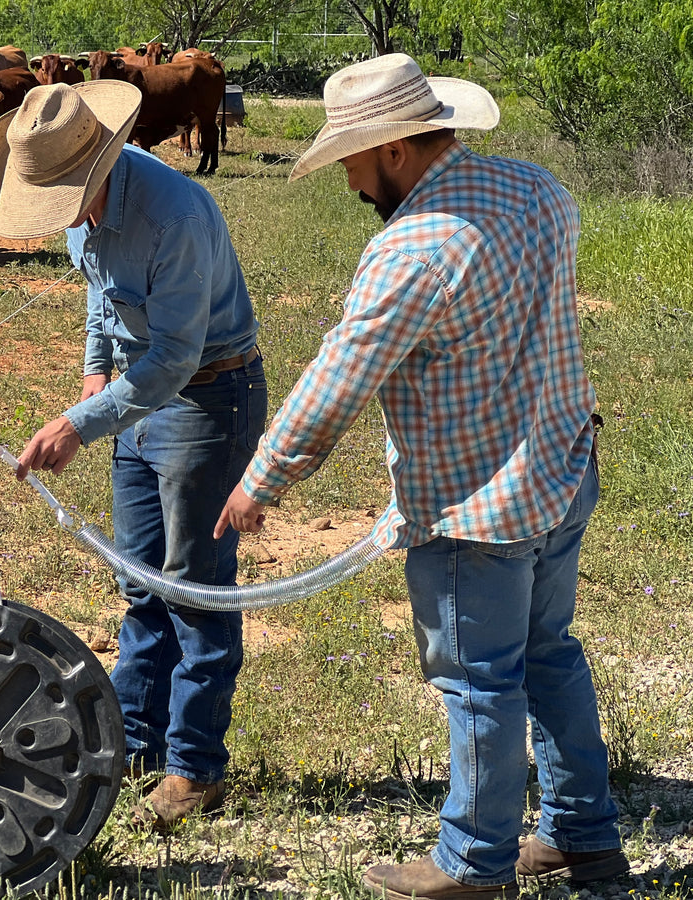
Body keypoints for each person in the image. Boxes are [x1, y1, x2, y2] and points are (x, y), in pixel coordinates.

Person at [215, 54, 627, 899]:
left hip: (475, 504)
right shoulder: (541, 191)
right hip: (560, 463)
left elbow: (338, 380)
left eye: (354, 162)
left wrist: (261, 479)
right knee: (550, 655)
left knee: (480, 682)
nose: (352, 181)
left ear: (396, 149)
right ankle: (583, 835)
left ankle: (473, 866)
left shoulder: (413, 248)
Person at [0, 81, 267, 830]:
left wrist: (81, 422)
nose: (57, 217)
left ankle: (195, 767)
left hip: (206, 396)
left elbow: (177, 356)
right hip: (132, 406)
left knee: (194, 588)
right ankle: (133, 744)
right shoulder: (85, 218)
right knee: (140, 585)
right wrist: (93, 381)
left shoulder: (174, 213)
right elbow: (101, 304)